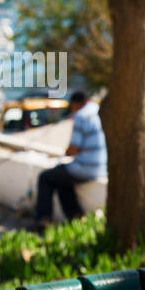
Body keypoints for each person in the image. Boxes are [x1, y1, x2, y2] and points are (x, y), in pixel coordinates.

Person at [32, 91, 106, 229]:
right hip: (101, 166)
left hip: (85, 167)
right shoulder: (97, 112)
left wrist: (66, 152)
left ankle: (43, 220)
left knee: (45, 178)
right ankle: (76, 217)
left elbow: (73, 149)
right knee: (62, 181)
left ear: (76, 104)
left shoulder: (81, 116)